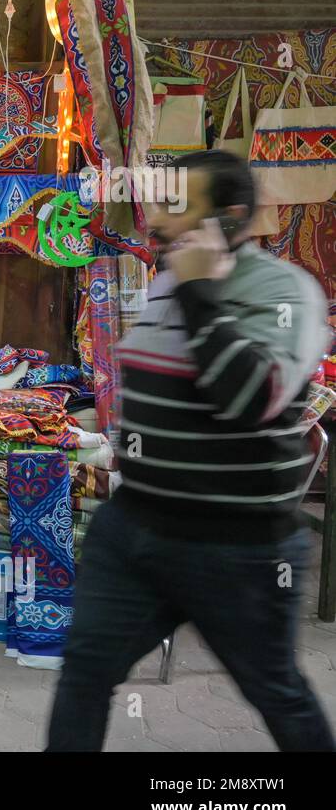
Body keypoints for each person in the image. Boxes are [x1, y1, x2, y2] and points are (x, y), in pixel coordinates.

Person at [47, 149, 335, 751]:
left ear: (229, 218)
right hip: (136, 532)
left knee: (274, 689)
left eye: (179, 204)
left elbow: (257, 397)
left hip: (240, 545)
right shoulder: (171, 281)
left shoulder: (285, 292)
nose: (157, 218)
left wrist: (204, 293)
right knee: (86, 670)